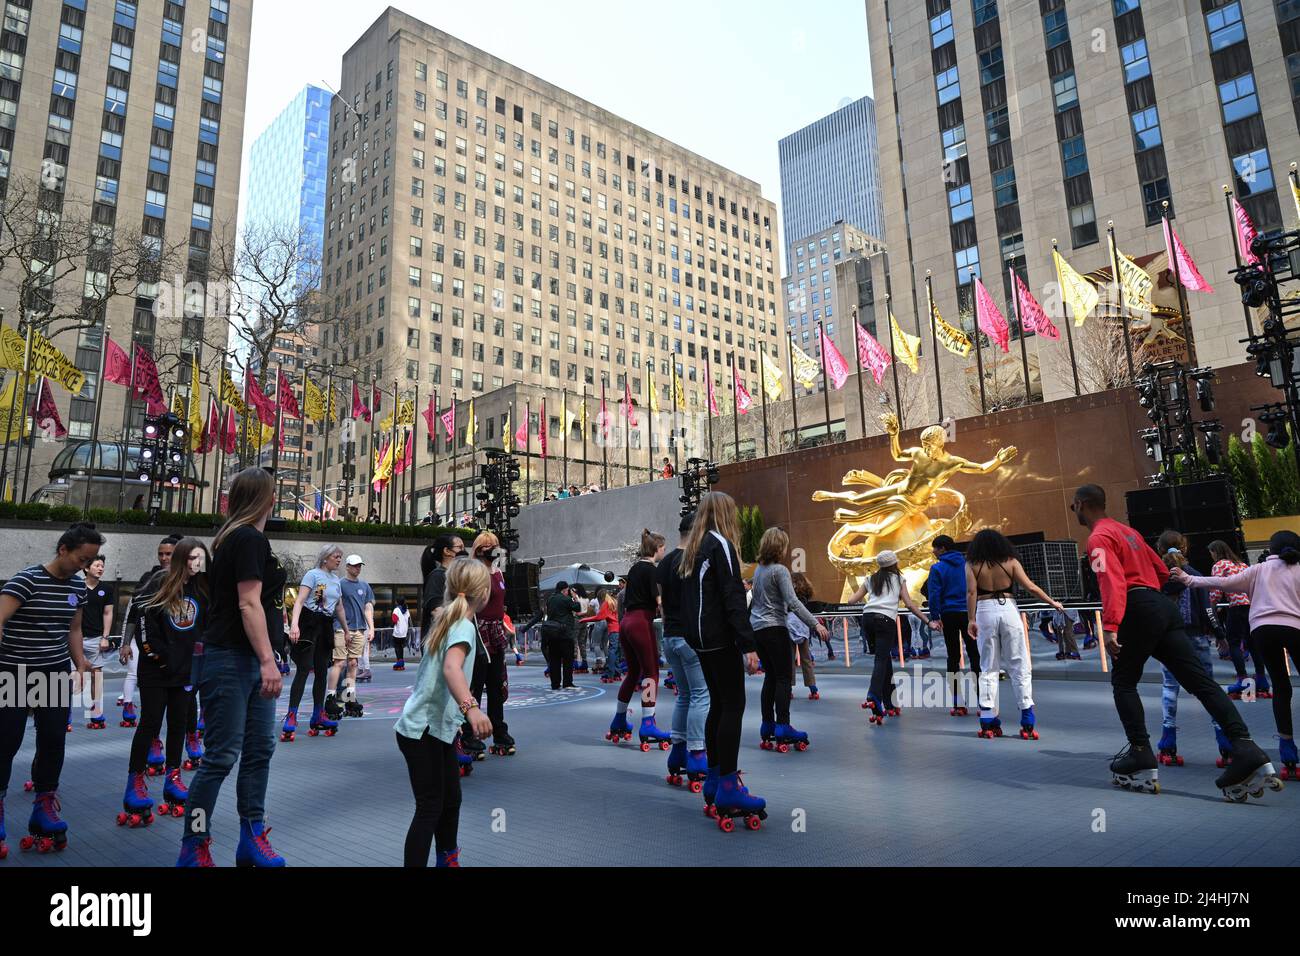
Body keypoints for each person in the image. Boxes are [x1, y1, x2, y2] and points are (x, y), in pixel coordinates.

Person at [1071, 484, 1276, 799]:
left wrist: (1110, 625)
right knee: (1200, 681)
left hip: (1135, 608)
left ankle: (1140, 752)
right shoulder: (1130, 533)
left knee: (1124, 682)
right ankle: (1245, 747)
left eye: (1074, 507)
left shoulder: (1098, 538)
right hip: (1161, 608)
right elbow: (1165, 572)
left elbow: (1109, 580)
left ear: (1083, 504)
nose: (1075, 513)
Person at [178, 468, 286, 867]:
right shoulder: (246, 538)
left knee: (259, 750)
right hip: (233, 660)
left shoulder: (244, 538)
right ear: (267, 498)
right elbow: (248, 603)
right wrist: (266, 660)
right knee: (221, 757)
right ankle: (194, 843)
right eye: (274, 493)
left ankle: (252, 837)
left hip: (247, 660)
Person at [0, 522, 100, 856]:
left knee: (54, 738)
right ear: (63, 550)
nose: (84, 566)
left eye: (90, 560)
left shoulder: (77, 586)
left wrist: (80, 662)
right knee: (7, 740)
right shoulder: (27, 579)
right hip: (16, 671)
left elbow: (73, 627)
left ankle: (44, 804)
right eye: (81, 559)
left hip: (54, 671)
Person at [1174, 530, 1300, 781]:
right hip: (1294, 627)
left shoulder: (1259, 570)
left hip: (1262, 630)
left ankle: (1288, 751)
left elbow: (1222, 584)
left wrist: (1188, 579)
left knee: (1282, 687)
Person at [394, 557, 493, 867]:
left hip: (437, 729)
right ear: (483, 593)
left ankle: (447, 858)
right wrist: (472, 709)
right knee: (430, 806)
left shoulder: (449, 620)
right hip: (422, 731)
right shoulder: (461, 624)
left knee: (451, 800)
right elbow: (452, 669)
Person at [678, 492, 766, 830]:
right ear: (726, 514)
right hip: (720, 639)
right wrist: (748, 645)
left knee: (718, 704)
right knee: (733, 705)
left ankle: (715, 780)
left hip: (700, 641)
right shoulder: (721, 545)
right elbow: (732, 596)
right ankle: (729, 785)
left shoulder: (694, 548)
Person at [120, 538, 209, 827]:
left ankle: (173, 775)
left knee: (180, 722)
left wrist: (200, 658)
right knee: (150, 722)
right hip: (156, 669)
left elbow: (205, 627)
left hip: (185, 671)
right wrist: (159, 657)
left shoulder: (203, 589)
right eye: (193, 558)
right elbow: (144, 623)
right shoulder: (160, 582)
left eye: (201, 558)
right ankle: (136, 779)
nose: (197, 564)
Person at [964, 529, 1064, 740]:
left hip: (984, 611)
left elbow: (971, 592)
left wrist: (971, 620)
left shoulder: (972, 564)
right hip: (1009, 609)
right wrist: (1052, 602)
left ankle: (988, 719)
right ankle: (1027, 718)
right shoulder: (1011, 561)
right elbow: (1030, 587)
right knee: (1019, 664)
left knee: (988, 667)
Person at [1152, 531, 1226, 768]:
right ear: (1185, 548)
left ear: (1160, 549)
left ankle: (1168, 744)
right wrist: (1220, 634)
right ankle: (1226, 745)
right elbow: (1208, 610)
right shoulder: (1194, 575)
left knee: (1169, 688)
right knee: (1209, 688)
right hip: (1197, 638)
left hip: (1170, 640)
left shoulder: (1160, 577)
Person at [749, 527, 827, 750]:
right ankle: (783, 725)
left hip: (759, 630)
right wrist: (814, 623)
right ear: (779, 547)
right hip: (775, 629)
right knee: (783, 678)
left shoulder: (759, 571)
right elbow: (793, 602)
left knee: (771, 678)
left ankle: (767, 725)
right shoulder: (780, 571)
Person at [604, 531, 671, 750]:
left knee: (633, 673)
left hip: (626, 623)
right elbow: (658, 598)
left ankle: (619, 719)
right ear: (657, 549)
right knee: (651, 672)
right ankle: (649, 722)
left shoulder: (633, 569)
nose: (664, 552)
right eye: (663, 548)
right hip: (642, 622)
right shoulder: (652, 569)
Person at [659, 514, 711, 790]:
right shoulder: (695, 560)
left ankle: (677, 751)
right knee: (702, 695)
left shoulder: (665, 562)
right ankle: (697, 753)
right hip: (690, 638)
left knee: (684, 696)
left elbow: (663, 605)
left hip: (670, 637)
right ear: (697, 531)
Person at [846, 551, 927, 725]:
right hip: (885, 620)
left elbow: (851, 601)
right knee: (881, 660)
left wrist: (872, 598)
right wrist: (927, 621)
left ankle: (890, 702)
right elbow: (910, 604)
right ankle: (873, 695)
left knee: (884, 659)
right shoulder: (898, 579)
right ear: (894, 564)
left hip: (867, 619)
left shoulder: (870, 579)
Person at [286, 546, 350, 740]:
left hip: (325, 625)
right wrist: (294, 625)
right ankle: (291, 715)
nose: (339, 560)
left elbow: (338, 607)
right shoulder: (312, 575)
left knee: (322, 671)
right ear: (325, 558)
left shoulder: (335, 581)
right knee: (304, 668)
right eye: (335, 556)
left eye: (340, 557)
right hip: (309, 622)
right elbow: (300, 601)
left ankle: (317, 714)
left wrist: (346, 630)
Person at [119, 535, 182, 718]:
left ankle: (191, 733)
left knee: (180, 709)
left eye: (169, 554)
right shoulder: (148, 578)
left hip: (179, 649)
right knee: (151, 710)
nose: (164, 558)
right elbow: (133, 612)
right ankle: (131, 708)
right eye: (161, 554)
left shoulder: (188, 579)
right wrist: (125, 643)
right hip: (151, 647)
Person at [468, 533, 514, 756]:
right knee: (475, 686)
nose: (490, 548)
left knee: (496, 686)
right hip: (478, 631)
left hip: (496, 631)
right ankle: (470, 736)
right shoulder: (475, 572)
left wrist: (503, 623)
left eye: (493, 545)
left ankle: (499, 732)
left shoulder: (498, 572)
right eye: (485, 545)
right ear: (477, 549)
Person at [1205, 540, 1268, 701]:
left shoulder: (1220, 565)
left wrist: (1213, 605)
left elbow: (1216, 588)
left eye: (1211, 553)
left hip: (1236, 607)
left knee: (1233, 644)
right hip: (1252, 606)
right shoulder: (1242, 565)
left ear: (1215, 552)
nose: (1211, 556)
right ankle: (1261, 678)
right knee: (1253, 644)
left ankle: (1242, 679)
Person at [928, 535, 978, 716]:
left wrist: (935, 616)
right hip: (968, 613)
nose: (933, 551)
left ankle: (958, 703)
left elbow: (934, 594)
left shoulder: (937, 568)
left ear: (942, 549)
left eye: (935, 548)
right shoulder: (968, 565)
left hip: (948, 614)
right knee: (975, 655)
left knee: (953, 656)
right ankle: (983, 702)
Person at [326, 555, 375, 718]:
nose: (357, 568)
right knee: (339, 663)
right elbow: (328, 603)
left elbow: (368, 607)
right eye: (354, 566)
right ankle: (330, 698)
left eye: (359, 565)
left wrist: (371, 627)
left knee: (353, 663)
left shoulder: (364, 585)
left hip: (359, 629)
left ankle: (350, 697)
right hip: (341, 628)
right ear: (347, 567)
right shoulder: (339, 584)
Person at [80, 556, 115, 730]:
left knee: (96, 676)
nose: (101, 568)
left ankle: (96, 712)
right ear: (86, 568)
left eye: (102, 565)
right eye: (97, 565)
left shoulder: (106, 589)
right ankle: (65, 715)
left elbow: (107, 614)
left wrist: (105, 637)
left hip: (96, 639)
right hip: (76, 639)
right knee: (71, 677)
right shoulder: (76, 587)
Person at [789, 573, 821, 699]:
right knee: (806, 659)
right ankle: (813, 689)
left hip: (789, 625)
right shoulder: (807, 594)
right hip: (803, 625)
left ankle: (788, 689)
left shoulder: (789, 594)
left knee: (789, 660)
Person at [392, 598, 411, 671]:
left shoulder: (396, 610)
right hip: (404, 632)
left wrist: (391, 625)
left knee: (397, 647)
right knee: (401, 647)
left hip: (397, 632)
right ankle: (401, 662)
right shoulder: (406, 610)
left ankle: (399, 663)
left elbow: (394, 620)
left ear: (397, 602)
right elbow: (408, 619)